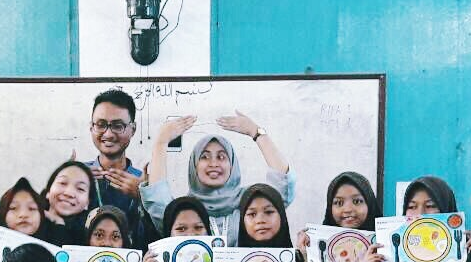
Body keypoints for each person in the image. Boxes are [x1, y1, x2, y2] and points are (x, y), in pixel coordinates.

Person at [142, 114, 294, 245]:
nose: (213, 164)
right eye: (204, 157)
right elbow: (157, 200)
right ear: (194, 166)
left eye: (221, 157)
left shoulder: (249, 205)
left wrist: (257, 134)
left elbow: (282, 186)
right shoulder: (184, 212)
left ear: (232, 164)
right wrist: (161, 143)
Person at [87, 90, 155, 247]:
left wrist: (145, 198)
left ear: (133, 129)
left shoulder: (144, 184)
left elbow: (161, 233)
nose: (109, 134)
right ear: (91, 127)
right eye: (101, 125)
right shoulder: (78, 177)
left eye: (118, 126)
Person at [42, 161, 97, 246]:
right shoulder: (27, 220)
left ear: (88, 203)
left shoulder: (89, 239)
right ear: (48, 191)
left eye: (80, 189)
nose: (69, 193)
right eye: (62, 183)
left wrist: (59, 225)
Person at [0, 177, 62, 244]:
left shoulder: (57, 243)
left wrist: (59, 223)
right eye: (13, 208)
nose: (23, 214)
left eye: (32, 208)